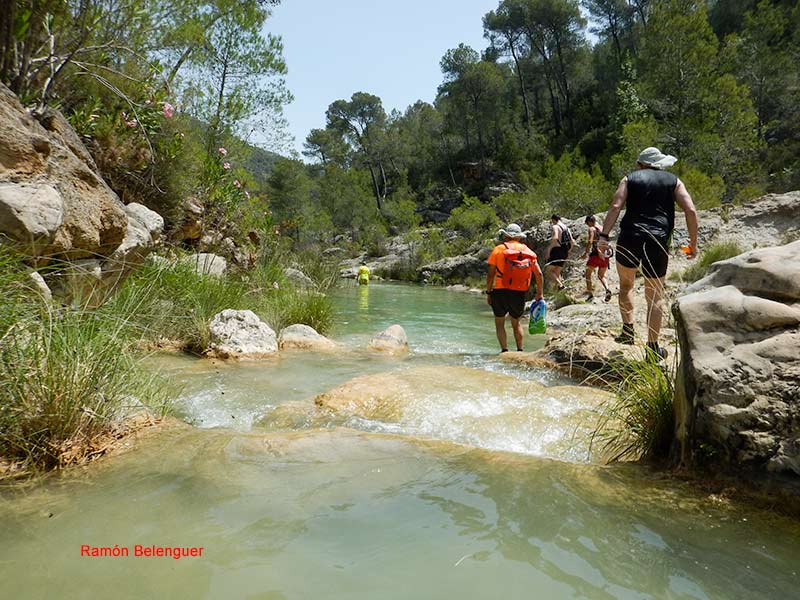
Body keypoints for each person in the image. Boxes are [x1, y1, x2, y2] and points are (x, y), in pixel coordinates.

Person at [598, 147, 698, 360]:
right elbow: (690, 210)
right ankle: (652, 348)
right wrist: (693, 244)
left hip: (630, 238)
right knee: (655, 297)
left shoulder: (629, 179)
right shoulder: (674, 181)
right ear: (660, 164)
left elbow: (616, 206)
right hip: (657, 241)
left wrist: (603, 236)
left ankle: (628, 332)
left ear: (640, 164)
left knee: (626, 286)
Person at [486, 223, 544, 353]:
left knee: (499, 323)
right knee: (516, 322)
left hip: (500, 290)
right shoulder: (528, 252)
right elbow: (539, 274)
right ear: (519, 237)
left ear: (506, 235)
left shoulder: (498, 249)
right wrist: (539, 292)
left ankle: (504, 350)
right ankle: (520, 350)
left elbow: (490, 274)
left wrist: (489, 292)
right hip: (519, 291)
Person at [579, 214, 612, 303]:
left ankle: (590, 295)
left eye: (587, 224)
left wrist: (586, 253)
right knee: (601, 275)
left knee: (588, 273)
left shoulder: (592, 229)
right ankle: (607, 289)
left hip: (595, 254)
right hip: (605, 255)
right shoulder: (602, 228)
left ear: (589, 222)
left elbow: (590, 241)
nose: (588, 226)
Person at [544, 214, 574, 291]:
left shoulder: (556, 226)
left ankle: (561, 285)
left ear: (554, 220)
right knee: (557, 272)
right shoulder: (567, 228)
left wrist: (549, 249)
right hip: (565, 251)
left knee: (548, 271)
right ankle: (560, 292)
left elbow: (555, 238)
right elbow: (572, 241)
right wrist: (569, 251)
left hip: (557, 250)